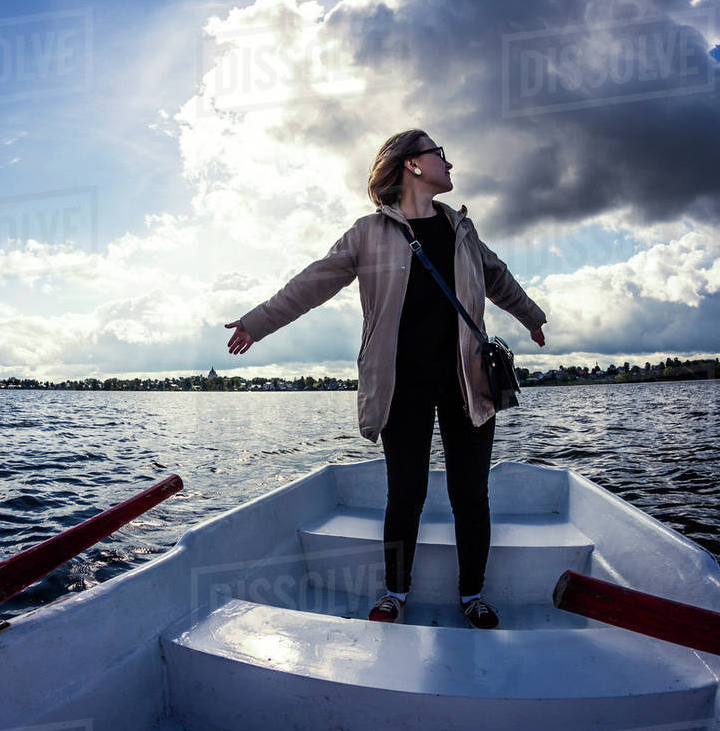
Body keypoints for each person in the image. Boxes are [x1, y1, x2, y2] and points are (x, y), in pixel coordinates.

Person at [225, 130, 546, 629]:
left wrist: (531, 316)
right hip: (400, 385)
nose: (448, 161)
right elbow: (313, 282)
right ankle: (396, 592)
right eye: (439, 153)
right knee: (406, 493)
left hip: (468, 382)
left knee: (470, 494)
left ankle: (473, 595)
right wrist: (256, 322)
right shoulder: (367, 233)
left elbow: (499, 278)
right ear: (411, 165)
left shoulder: (462, 230)